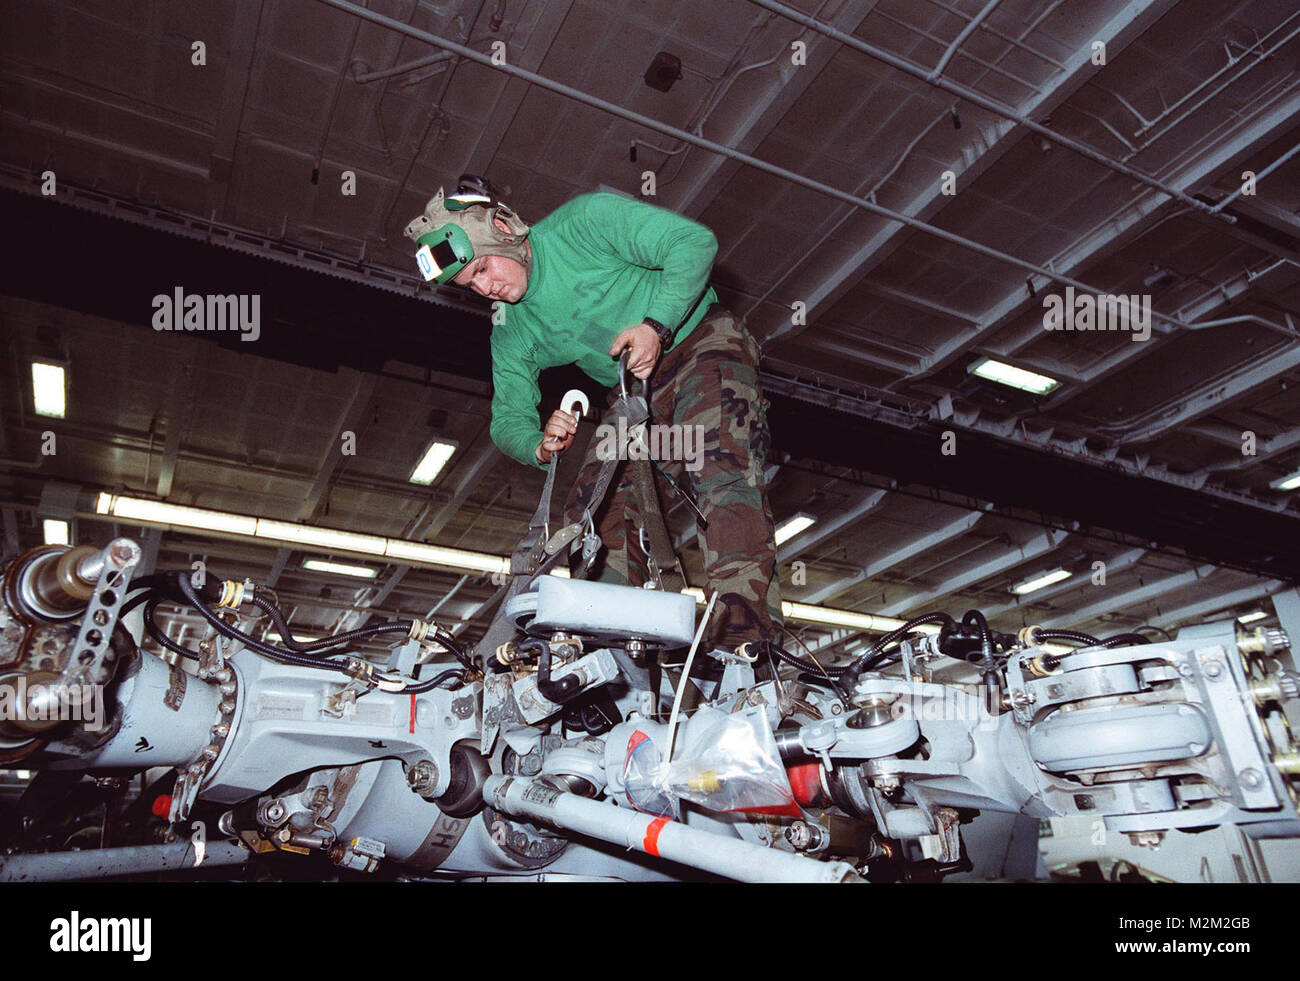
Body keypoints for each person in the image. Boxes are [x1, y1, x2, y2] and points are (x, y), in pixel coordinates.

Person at [404, 178, 782, 656]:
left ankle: (746, 648)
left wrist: (655, 326)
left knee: (721, 474)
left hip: (702, 341)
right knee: (596, 510)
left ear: (503, 228)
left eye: (482, 268)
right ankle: (614, 656)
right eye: (471, 285)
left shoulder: (586, 221)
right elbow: (507, 418)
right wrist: (537, 443)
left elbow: (694, 242)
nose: (487, 288)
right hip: (633, 389)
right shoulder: (510, 325)